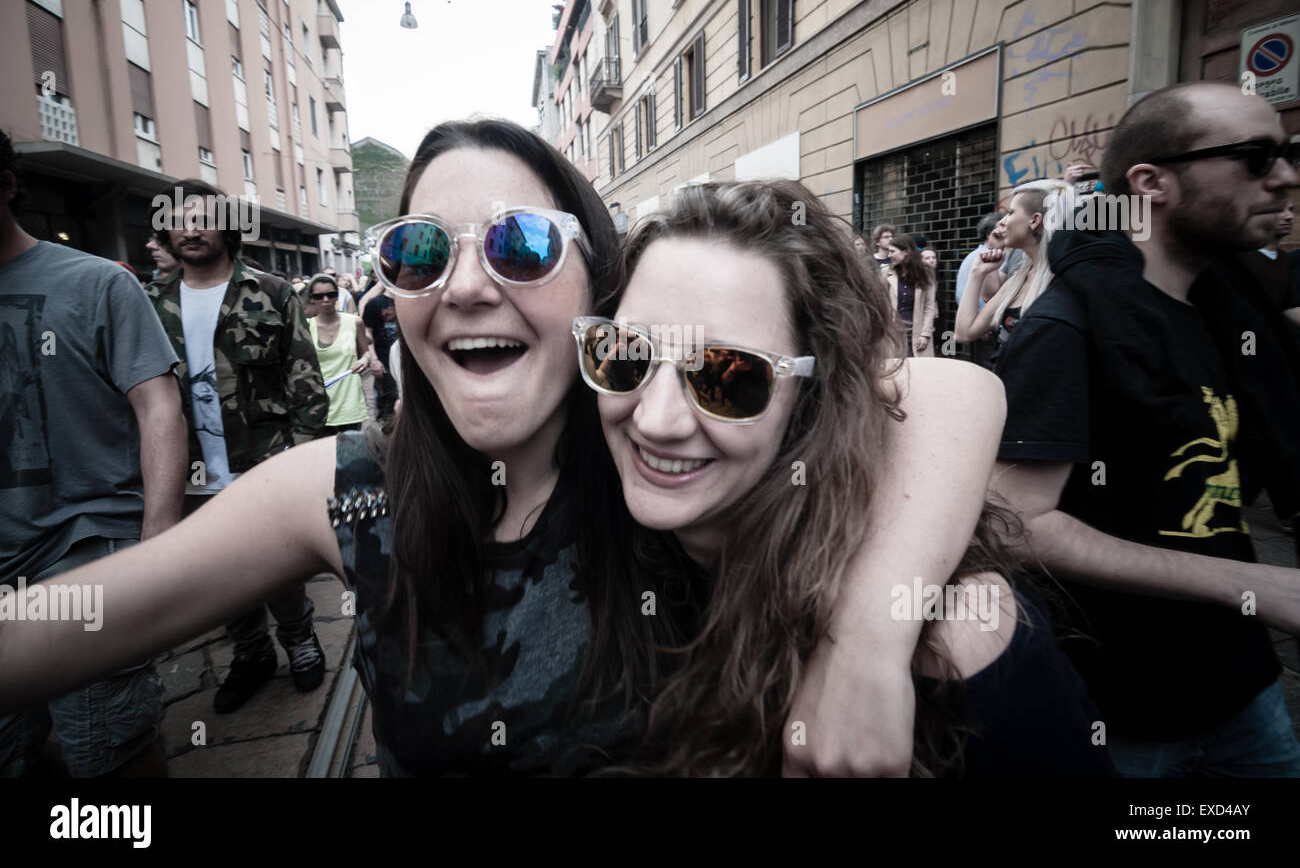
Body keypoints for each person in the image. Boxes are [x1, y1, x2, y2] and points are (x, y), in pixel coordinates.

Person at [0, 119, 1007, 777]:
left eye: (520, 243)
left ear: (597, 283)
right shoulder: (352, 491)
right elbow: (68, 623)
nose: (468, 285)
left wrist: (869, 631)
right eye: (420, 250)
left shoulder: (665, 467)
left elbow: (946, 388)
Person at [577, 180, 1111, 776]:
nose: (655, 419)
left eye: (728, 376)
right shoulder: (592, 515)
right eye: (625, 353)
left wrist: (867, 639)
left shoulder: (956, 638)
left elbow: (951, 385)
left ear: (814, 396)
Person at [993, 81, 1300, 776]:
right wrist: (1257, 586)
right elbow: (1020, 524)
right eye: (1255, 157)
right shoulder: (1066, 327)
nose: (1285, 176)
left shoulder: (1232, 312)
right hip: (1125, 715)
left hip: (1244, 691)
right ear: (1150, 182)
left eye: (1288, 153)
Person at [0, 129, 187, 777]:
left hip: (87, 556)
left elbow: (159, 404)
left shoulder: (99, 283)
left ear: (7, 184)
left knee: (109, 751)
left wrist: (155, 548)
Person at [147, 179, 329, 714]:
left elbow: (306, 383)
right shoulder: (152, 305)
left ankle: (299, 638)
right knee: (222, 572)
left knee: (279, 564)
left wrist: (305, 464)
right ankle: (251, 654)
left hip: (266, 461)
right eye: (179, 218)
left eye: (204, 217)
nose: (192, 227)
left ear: (228, 227)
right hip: (194, 472)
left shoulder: (272, 293)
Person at [954, 179, 1067, 366]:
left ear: (1035, 220)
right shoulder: (1017, 280)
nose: (1002, 222)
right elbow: (963, 332)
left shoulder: (1062, 279)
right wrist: (977, 273)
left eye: (1011, 213)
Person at [305, 273, 371, 433]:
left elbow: (366, 354)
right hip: (320, 403)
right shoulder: (306, 327)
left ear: (338, 295)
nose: (326, 300)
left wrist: (364, 361)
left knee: (350, 454)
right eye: (319, 296)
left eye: (331, 294)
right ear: (312, 298)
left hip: (350, 402)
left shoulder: (354, 322)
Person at [955, 213, 1009, 369]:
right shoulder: (991, 258)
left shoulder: (972, 256)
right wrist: (981, 322)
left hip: (976, 326)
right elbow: (990, 294)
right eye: (1001, 226)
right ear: (990, 234)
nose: (1005, 228)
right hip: (985, 329)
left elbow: (961, 295)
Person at [881, 232, 937, 357]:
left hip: (917, 336)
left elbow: (929, 306)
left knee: (918, 372)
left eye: (892, 251)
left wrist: (925, 334)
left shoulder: (926, 273)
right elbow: (881, 303)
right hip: (893, 336)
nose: (889, 255)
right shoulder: (885, 272)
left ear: (905, 252)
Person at [361, 280, 399, 421]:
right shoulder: (375, 303)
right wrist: (374, 360)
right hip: (385, 362)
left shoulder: (408, 301)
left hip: (408, 363)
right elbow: (367, 333)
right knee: (387, 405)